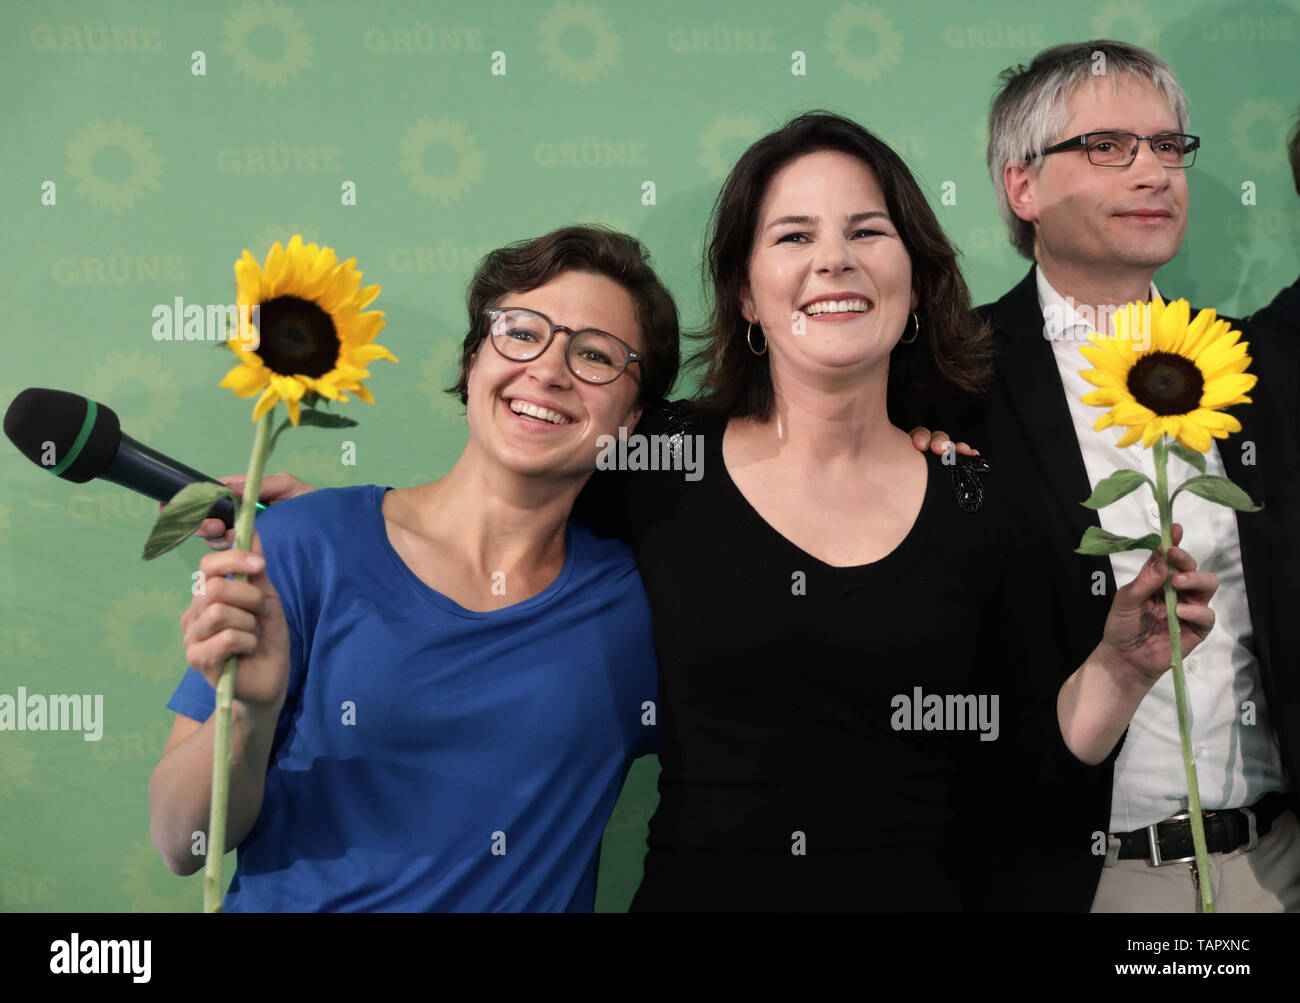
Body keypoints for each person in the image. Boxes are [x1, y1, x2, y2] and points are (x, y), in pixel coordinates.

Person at [205, 113, 1222, 911]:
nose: (833, 259)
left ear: (913, 281)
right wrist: (322, 538)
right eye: (794, 235)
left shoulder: (981, 498)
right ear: (743, 289)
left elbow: (1027, 768)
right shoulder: (655, 461)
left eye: (867, 232)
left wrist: (1121, 668)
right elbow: (485, 524)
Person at [148, 226, 680, 911]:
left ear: (631, 419)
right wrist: (249, 715)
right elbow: (178, 844)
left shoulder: (641, 608)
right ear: (474, 360)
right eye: (521, 332)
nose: (549, 369)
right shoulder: (304, 544)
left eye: (595, 355)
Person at [925, 40, 1300, 912]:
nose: (1154, 171)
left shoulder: (1254, 364)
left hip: (1273, 868)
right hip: (1079, 877)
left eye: (1170, 147)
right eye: (1108, 147)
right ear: (1023, 186)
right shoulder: (943, 382)